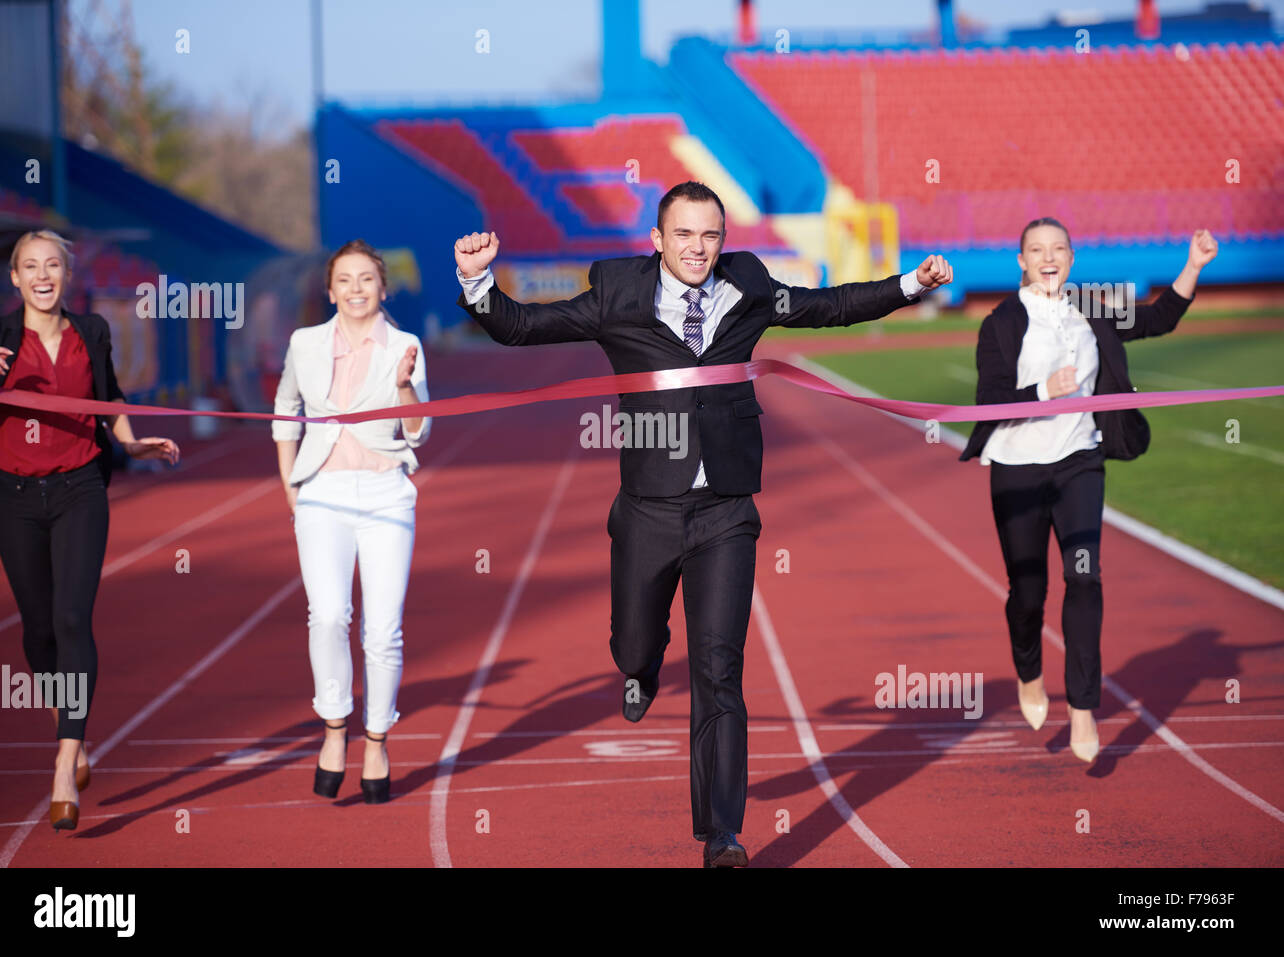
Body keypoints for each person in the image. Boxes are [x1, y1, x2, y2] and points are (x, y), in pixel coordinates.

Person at [454, 181, 952, 866]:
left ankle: (722, 832)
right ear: (657, 239)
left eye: (710, 235)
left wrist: (909, 282)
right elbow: (525, 326)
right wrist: (478, 283)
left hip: (726, 509)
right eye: (684, 235)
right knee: (631, 643)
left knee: (720, 669)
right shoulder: (616, 292)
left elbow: (828, 307)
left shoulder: (746, 283)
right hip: (647, 510)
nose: (698, 248)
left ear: (724, 238)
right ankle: (642, 662)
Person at [959, 218, 1218, 762]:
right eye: (1036, 250)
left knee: (1084, 578)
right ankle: (1029, 672)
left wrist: (1193, 265)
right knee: (1027, 594)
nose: (1048, 258)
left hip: (1079, 463)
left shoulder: (1093, 308)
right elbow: (988, 400)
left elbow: (1158, 319)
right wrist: (1041, 391)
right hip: (1017, 469)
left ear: (1072, 258)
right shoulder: (1001, 322)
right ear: (1021, 261)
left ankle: (1082, 708)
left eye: (1058, 249)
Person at [0, 230, 180, 831]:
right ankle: (69, 722)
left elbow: (109, 396)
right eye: (30, 267)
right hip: (14, 497)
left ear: (66, 276)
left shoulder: (92, 332)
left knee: (72, 619)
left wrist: (132, 442)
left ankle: (67, 758)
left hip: (79, 490)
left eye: (53, 265)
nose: (42, 275)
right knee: (39, 631)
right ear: (14, 279)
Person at [272, 238, 431, 804]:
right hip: (322, 493)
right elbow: (284, 410)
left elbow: (419, 433)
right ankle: (334, 727)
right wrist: (291, 485)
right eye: (345, 279)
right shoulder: (304, 343)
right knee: (328, 615)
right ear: (330, 289)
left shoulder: (405, 345)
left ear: (382, 288)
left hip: (387, 494)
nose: (356, 289)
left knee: (382, 631)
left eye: (367, 279)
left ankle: (377, 739)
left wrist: (406, 383)